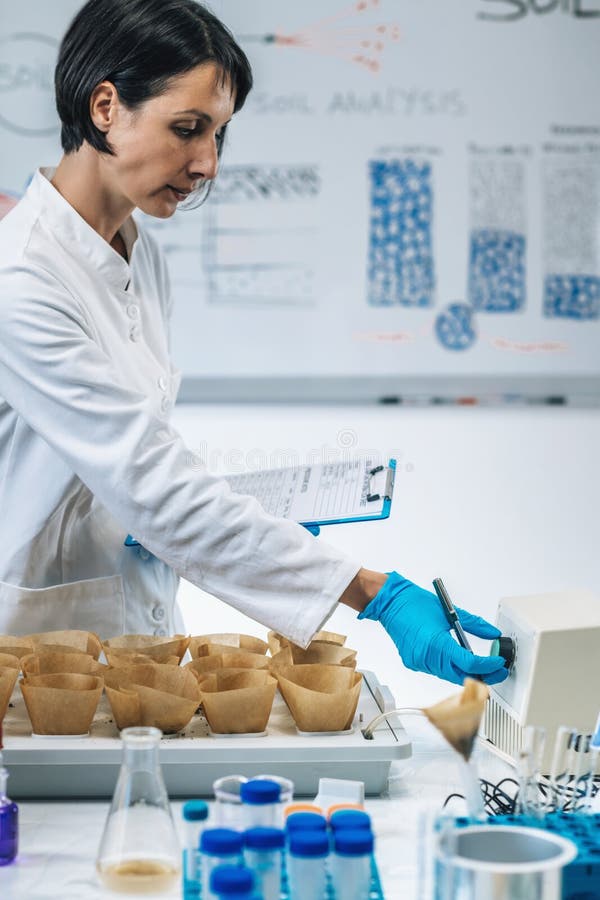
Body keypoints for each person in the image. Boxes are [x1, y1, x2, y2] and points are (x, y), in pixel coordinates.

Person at [0, 0, 507, 687]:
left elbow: (125, 473)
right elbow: (151, 485)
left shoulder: (138, 256)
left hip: (128, 642)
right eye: (188, 129)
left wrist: (271, 526)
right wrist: (370, 591)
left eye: (218, 135)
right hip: (37, 660)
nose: (207, 163)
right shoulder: (24, 277)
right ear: (105, 106)